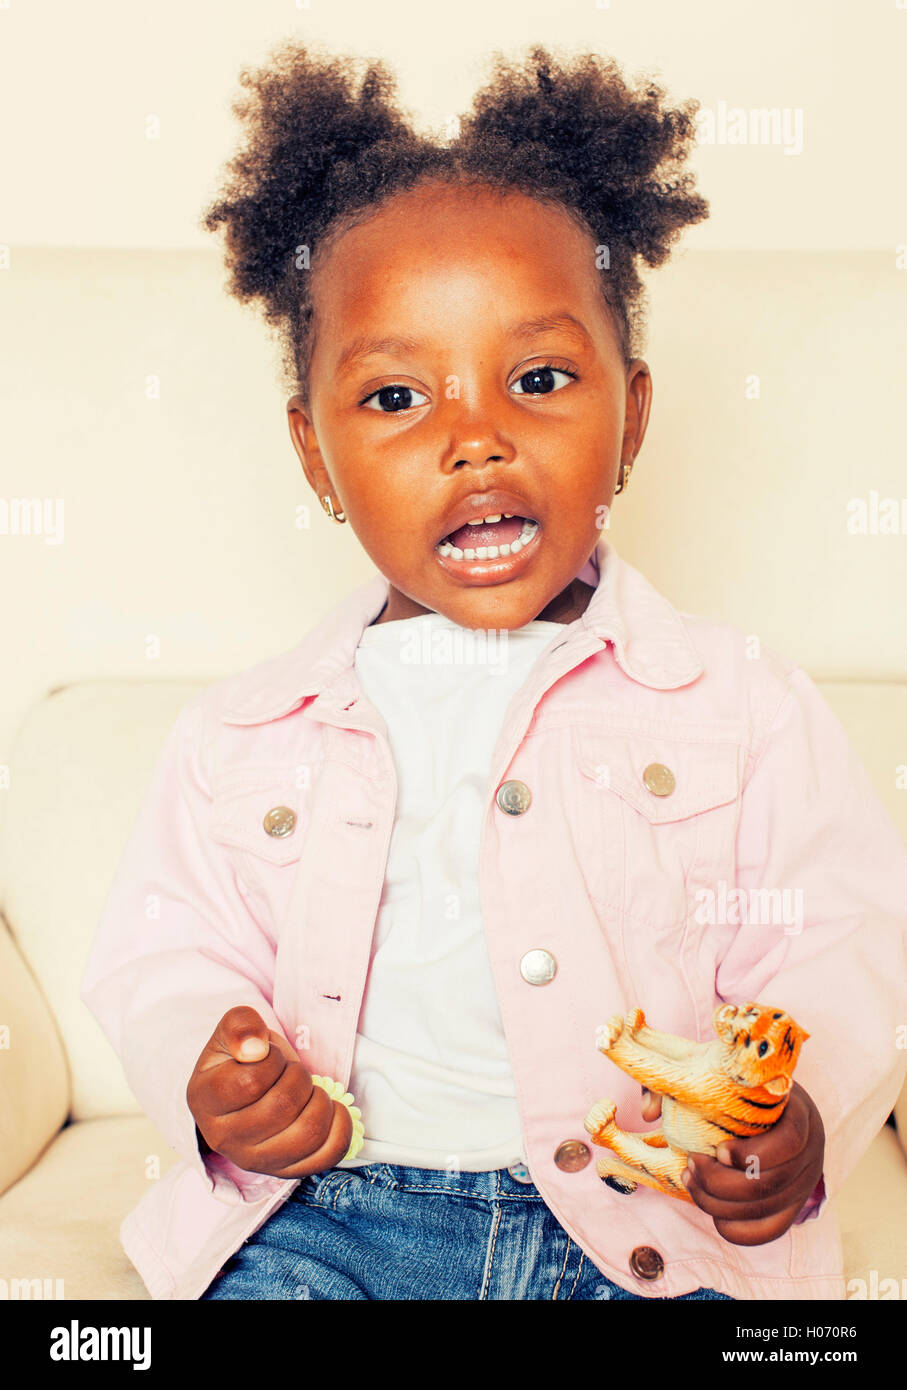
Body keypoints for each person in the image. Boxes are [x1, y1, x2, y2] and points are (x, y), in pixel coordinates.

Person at [81, 39, 907, 1301]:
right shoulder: (244, 733)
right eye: (396, 397)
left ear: (630, 412)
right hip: (329, 1223)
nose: (475, 438)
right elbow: (165, 948)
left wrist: (796, 1117)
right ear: (314, 456)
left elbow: (842, 937)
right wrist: (213, 1064)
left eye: (537, 379)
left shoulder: (744, 708)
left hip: (642, 1223)